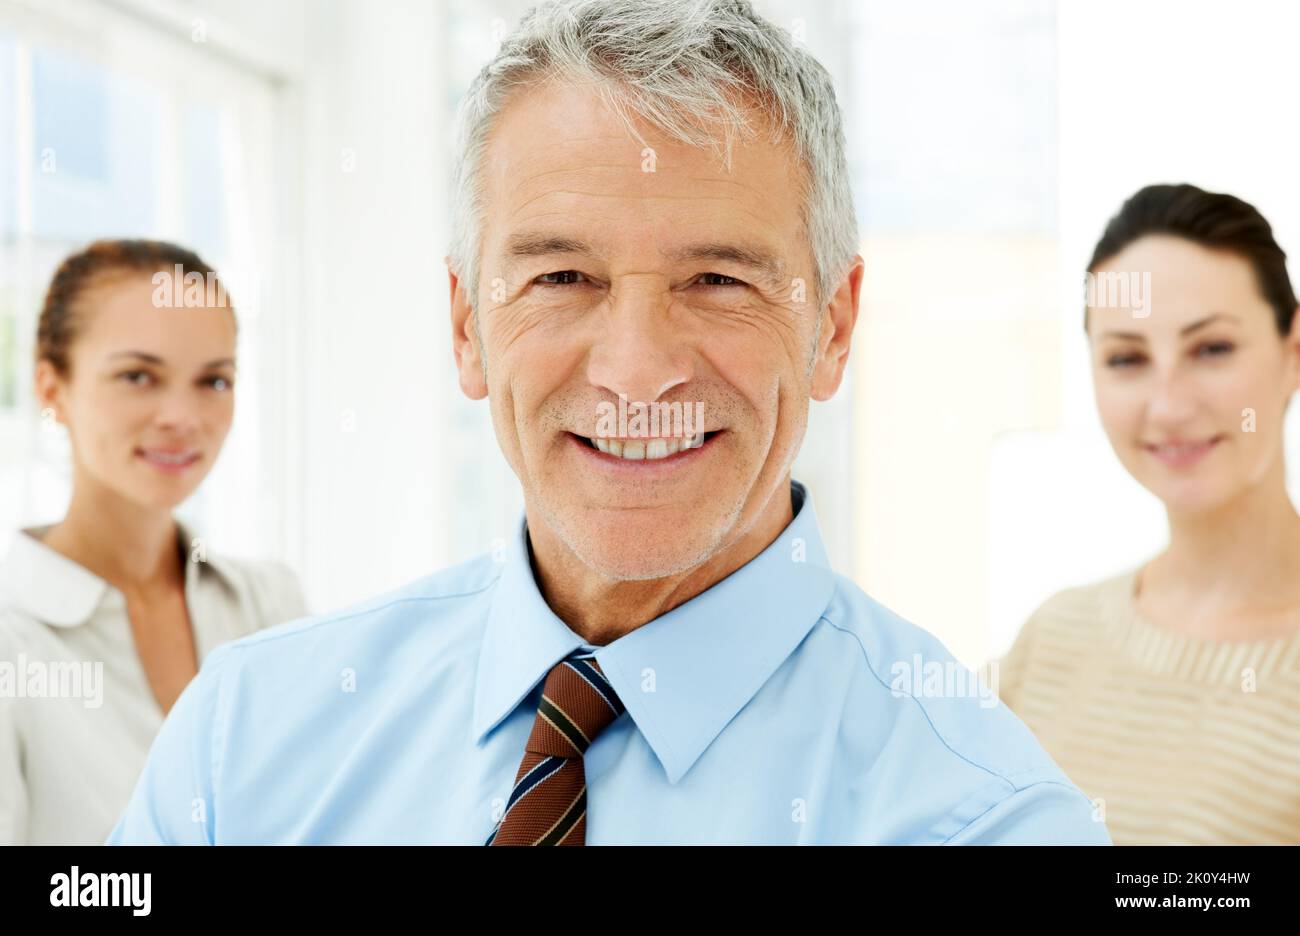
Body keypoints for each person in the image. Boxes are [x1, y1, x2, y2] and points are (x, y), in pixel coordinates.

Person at [108, 0, 1108, 845]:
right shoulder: (240, 746)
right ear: (468, 328)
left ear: (832, 328)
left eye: (718, 280)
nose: (636, 369)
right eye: (561, 277)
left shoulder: (985, 822)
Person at [997, 183, 1300, 844]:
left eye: (1212, 349)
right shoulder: (1050, 643)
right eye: (1128, 359)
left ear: (1292, 353)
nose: (1168, 406)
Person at [0, 239, 307, 844]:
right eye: (138, 376)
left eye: (213, 381)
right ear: (50, 388)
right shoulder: (13, 638)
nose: (182, 417)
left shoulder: (269, 603)